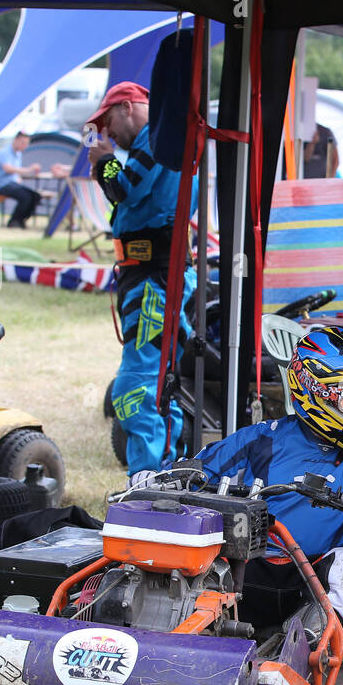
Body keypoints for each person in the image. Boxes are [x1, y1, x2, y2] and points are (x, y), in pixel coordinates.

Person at [195, 327, 343, 642]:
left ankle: (309, 649)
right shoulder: (263, 437)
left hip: (317, 586)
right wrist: (159, 476)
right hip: (244, 576)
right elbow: (198, 469)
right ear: (317, 393)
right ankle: (185, 630)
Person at [86, 80, 197, 481]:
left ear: (129, 106)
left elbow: (124, 189)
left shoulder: (157, 137)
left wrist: (103, 161)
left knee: (134, 387)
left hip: (155, 278)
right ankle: (165, 477)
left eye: (108, 121)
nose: (106, 133)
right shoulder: (162, 138)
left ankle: (149, 481)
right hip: (152, 276)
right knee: (159, 380)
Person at [0, 132, 43, 229]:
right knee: (25, 197)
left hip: (12, 184)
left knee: (36, 196)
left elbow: (15, 171)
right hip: (1, 185)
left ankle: (21, 220)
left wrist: (18, 178)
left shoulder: (18, 154)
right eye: (23, 143)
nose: (25, 146)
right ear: (16, 140)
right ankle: (14, 221)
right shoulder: (4, 152)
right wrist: (29, 169)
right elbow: (8, 169)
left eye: (26, 144)